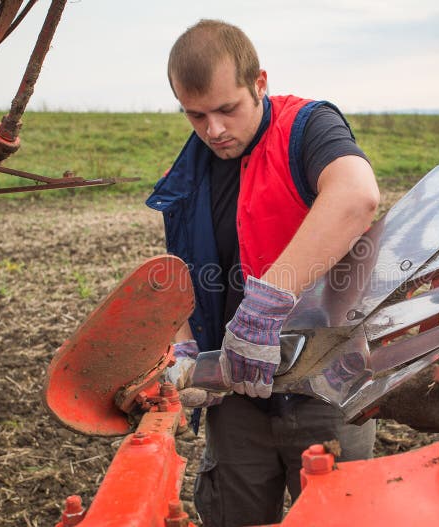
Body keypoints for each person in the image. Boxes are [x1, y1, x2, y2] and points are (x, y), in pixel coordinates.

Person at [146, 19, 380, 527]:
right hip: (236, 396)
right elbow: (183, 272)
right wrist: (183, 350)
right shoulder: (188, 174)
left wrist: (265, 305)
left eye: (227, 109)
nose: (214, 130)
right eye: (196, 115)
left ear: (260, 83)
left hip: (326, 389)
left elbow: (356, 194)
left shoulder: (308, 128)